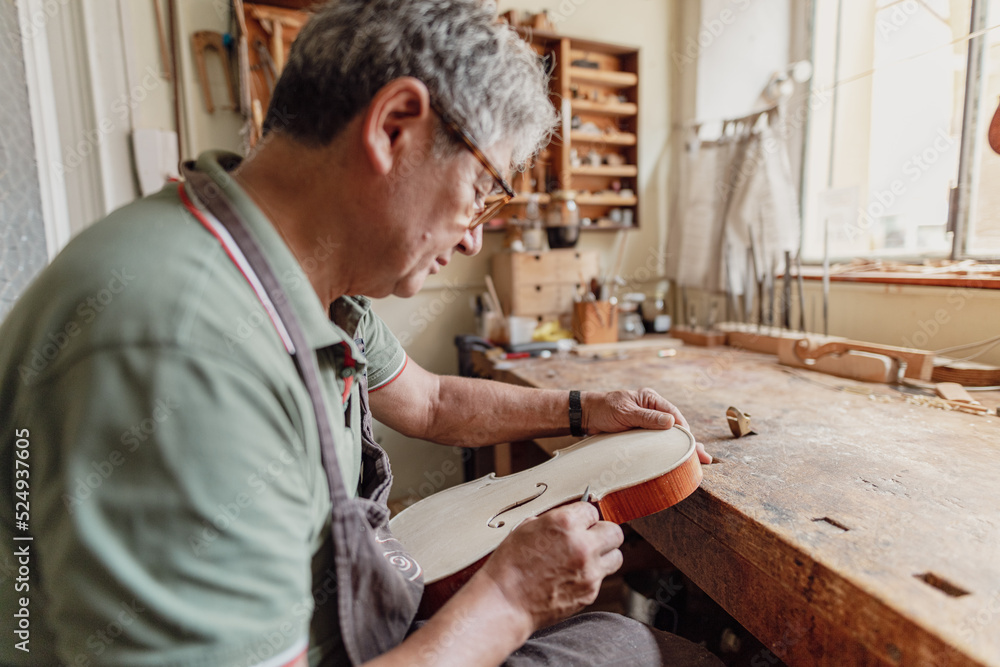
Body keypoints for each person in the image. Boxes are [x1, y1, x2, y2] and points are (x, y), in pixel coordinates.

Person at [0, 1, 718, 665]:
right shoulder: (181, 353)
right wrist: (505, 600)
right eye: (482, 192)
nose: (474, 240)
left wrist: (581, 411)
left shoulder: (310, 286)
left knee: (636, 643)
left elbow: (431, 401)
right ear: (394, 125)